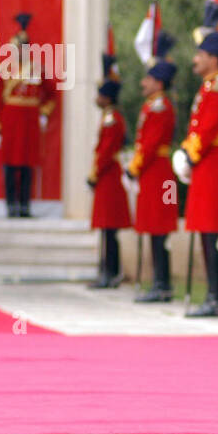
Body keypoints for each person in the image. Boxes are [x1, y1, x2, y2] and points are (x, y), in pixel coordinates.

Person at [175, 31, 218, 317]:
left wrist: (190, 154)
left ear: (214, 58)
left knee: (213, 231)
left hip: (213, 164)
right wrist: (188, 152)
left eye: (200, 54)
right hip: (206, 165)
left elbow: (209, 128)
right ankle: (213, 295)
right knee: (205, 230)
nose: (196, 59)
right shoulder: (209, 86)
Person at [130, 32, 179, 302]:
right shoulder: (153, 105)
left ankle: (163, 284)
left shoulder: (160, 107)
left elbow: (149, 146)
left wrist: (133, 168)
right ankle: (159, 282)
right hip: (152, 174)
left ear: (158, 82)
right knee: (153, 228)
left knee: (160, 229)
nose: (143, 83)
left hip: (158, 174)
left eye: (147, 78)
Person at [0, 13, 56, 216]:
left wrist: (44, 113)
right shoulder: (5, 70)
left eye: (25, 47)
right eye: (19, 47)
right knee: (10, 165)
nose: (21, 50)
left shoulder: (37, 70)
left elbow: (52, 95)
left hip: (30, 122)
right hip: (11, 121)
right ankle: (11, 205)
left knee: (28, 164)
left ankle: (25, 205)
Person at [87, 59, 131, 288]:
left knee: (109, 229)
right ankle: (107, 271)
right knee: (106, 229)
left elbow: (106, 151)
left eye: (100, 95)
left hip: (109, 176)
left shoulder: (113, 119)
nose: (97, 98)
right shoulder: (109, 117)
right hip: (107, 175)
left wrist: (93, 174)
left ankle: (110, 272)